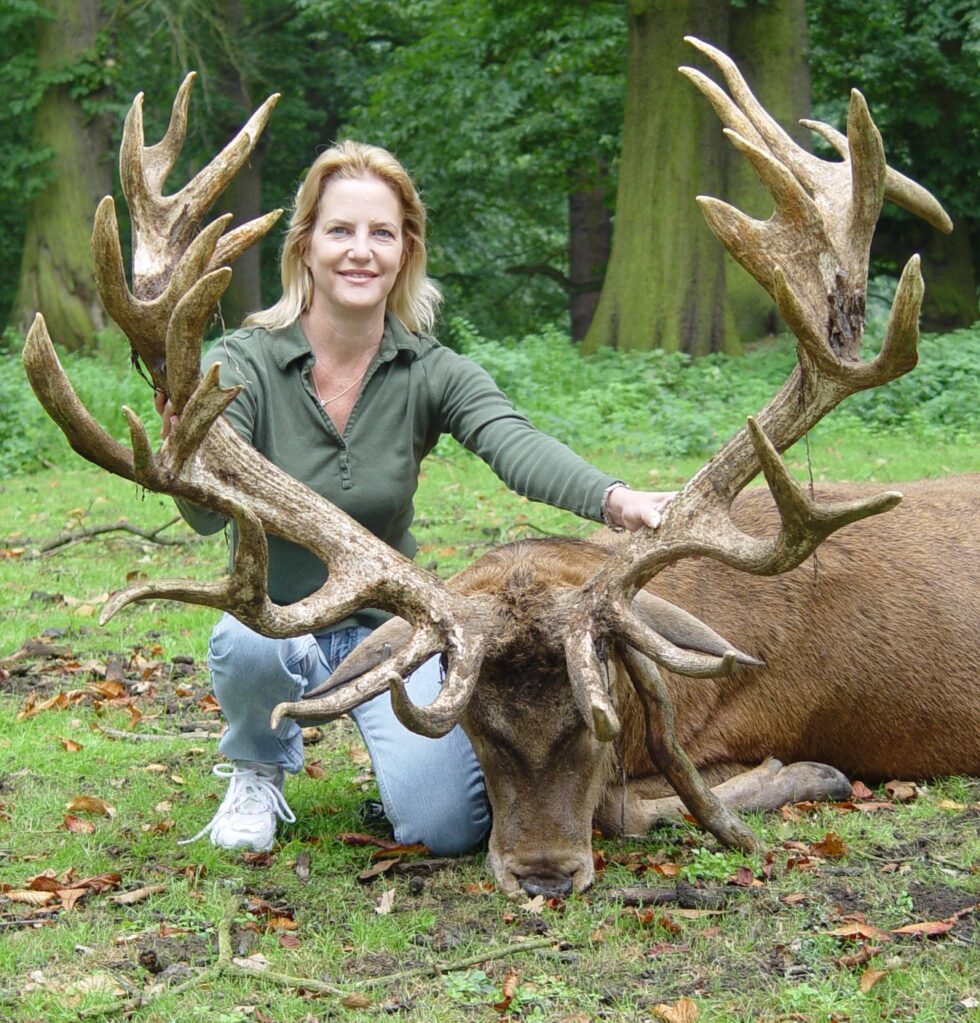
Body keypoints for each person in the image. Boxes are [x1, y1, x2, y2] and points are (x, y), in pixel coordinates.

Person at [158, 140, 675, 856]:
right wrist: (189, 451)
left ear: (407, 251)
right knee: (247, 641)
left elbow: (513, 442)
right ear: (305, 244)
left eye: (382, 233)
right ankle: (256, 767)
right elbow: (206, 510)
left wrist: (614, 499)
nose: (359, 251)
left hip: (390, 631)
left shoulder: (429, 370)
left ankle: (400, 777)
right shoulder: (241, 362)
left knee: (447, 828)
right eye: (340, 231)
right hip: (278, 621)